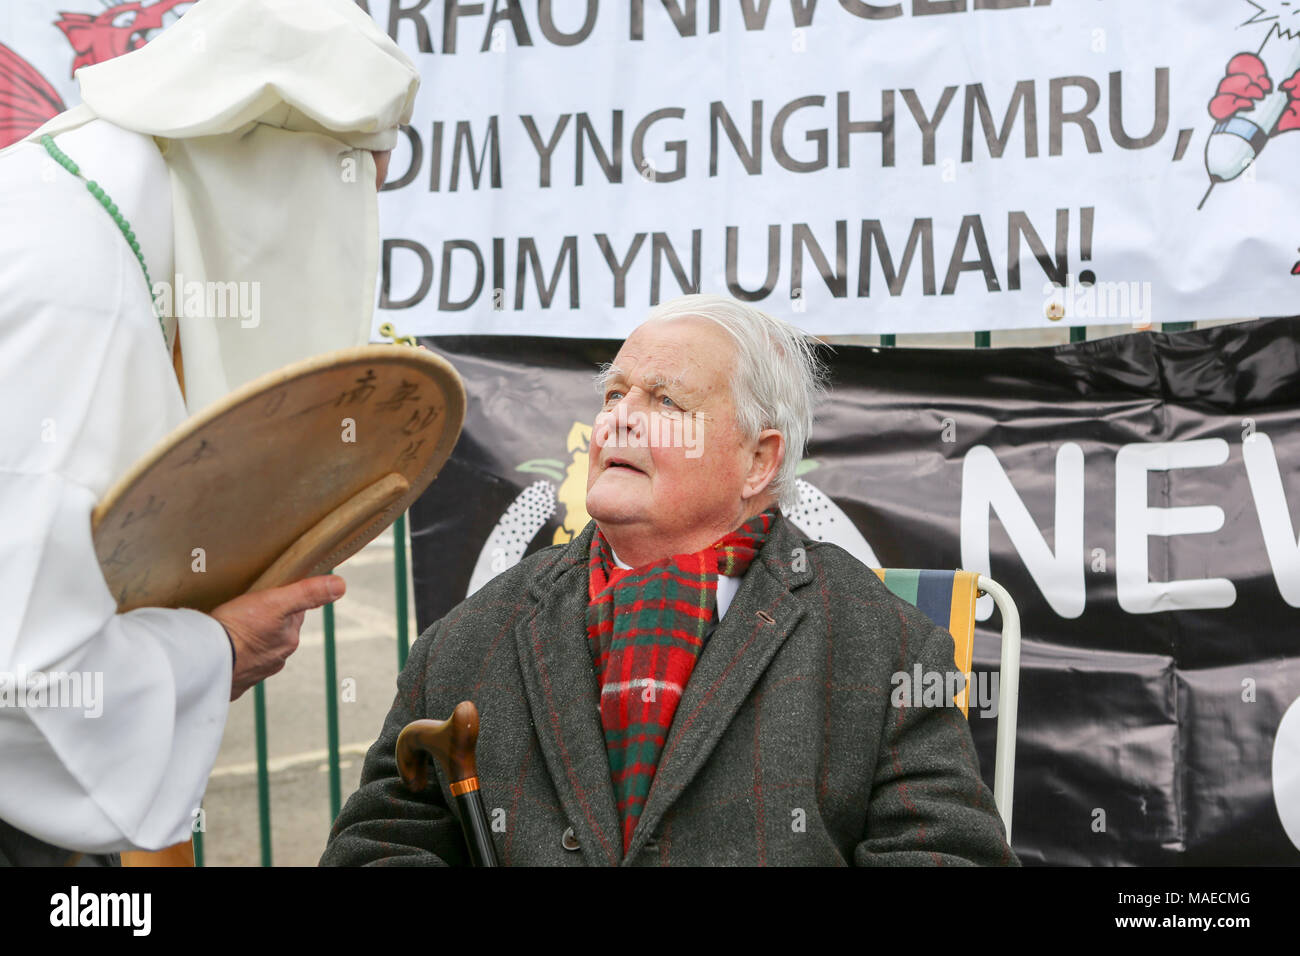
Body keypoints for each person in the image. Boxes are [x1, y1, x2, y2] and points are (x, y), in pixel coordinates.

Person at [321, 294, 1018, 866]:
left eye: (665, 403)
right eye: (614, 394)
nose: (618, 420)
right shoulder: (467, 639)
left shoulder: (885, 646)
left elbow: (949, 856)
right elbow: (379, 846)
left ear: (759, 461)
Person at [0, 0, 417, 865]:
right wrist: (218, 651)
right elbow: (28, 679)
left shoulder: (71, 208)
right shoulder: (79, 285)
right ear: (267, 170)